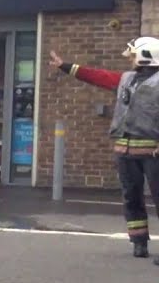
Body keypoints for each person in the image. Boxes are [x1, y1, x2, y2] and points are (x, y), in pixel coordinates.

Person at [52, 37, 159, 260]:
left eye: (132, 55)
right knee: (132, 197)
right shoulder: (126, 79)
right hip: (125, 151)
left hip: (153, 153)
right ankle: (139, 242)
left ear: (144, 55)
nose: (129, 59)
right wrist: (66, 66)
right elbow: (97, 76)